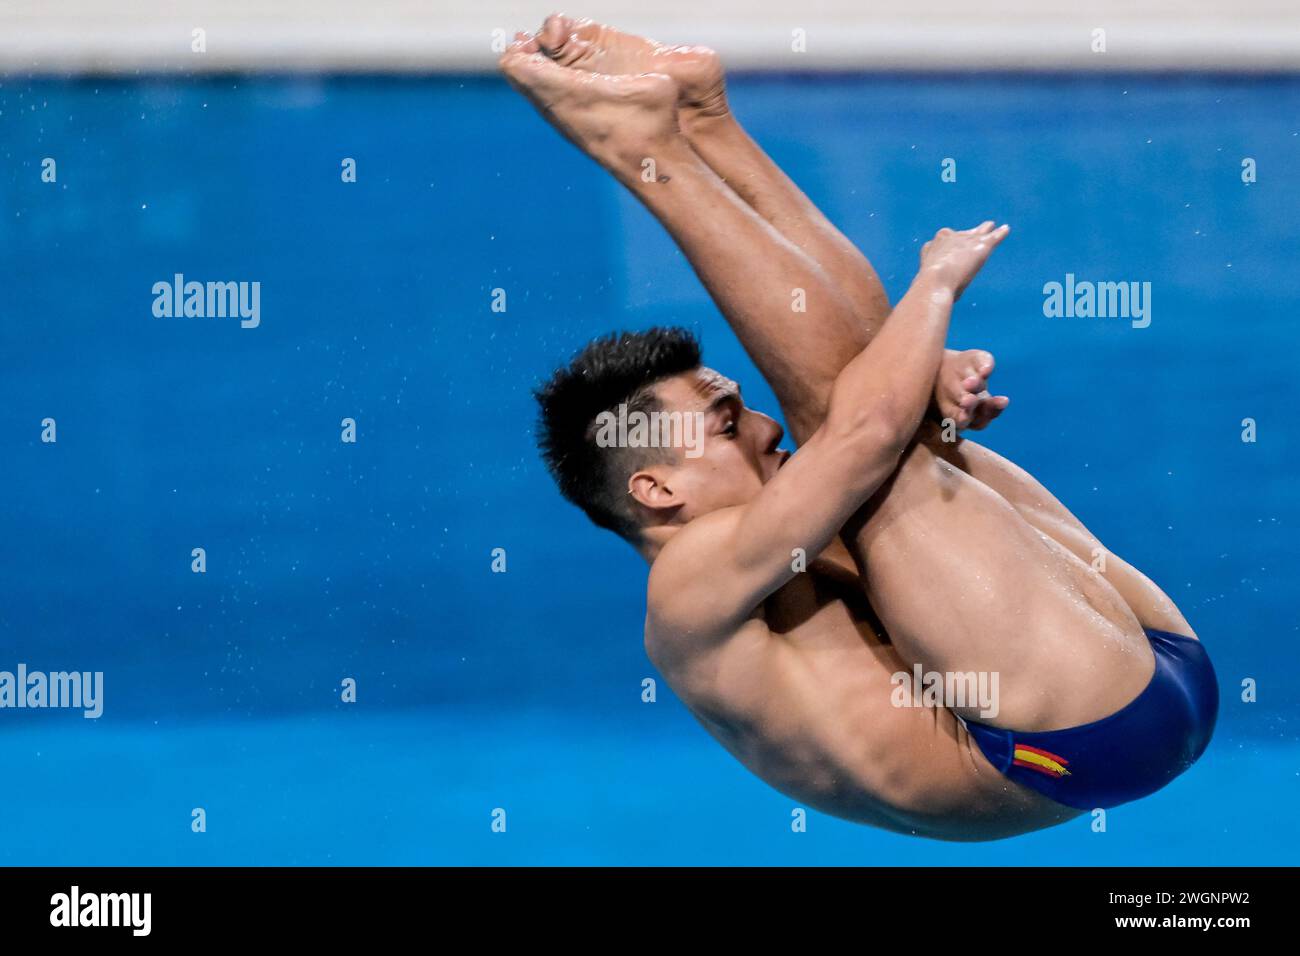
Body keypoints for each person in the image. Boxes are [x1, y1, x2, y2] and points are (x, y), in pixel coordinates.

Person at [505, 16, 1217, 840]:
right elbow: (861, 433)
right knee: (868, 433)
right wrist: (934, 289)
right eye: (727, 423)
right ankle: (639, 153)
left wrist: (930, 396)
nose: (766, 429)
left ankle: (704, 128)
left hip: (1138, 670)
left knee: (883, 421)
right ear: (655, 487)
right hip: (1069, 739)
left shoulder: (774, 529)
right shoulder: (688, 585)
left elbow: (869, 422)